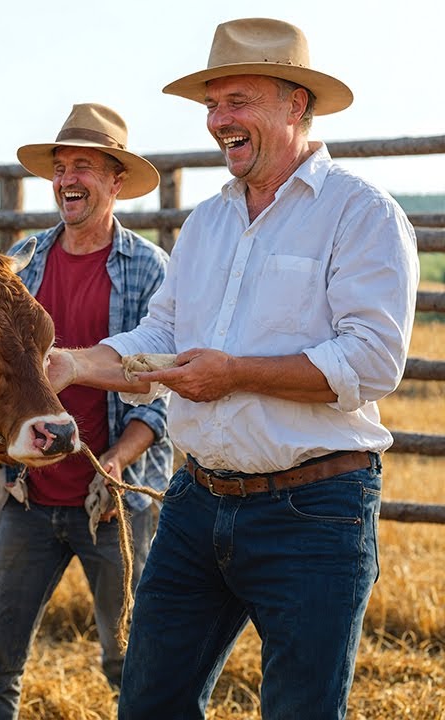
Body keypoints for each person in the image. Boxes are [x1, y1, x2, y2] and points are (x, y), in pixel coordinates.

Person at [45, 19, 417, 719]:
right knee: (148, 703)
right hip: (197, 499)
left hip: (315, 507)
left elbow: (372, 360)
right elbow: (161, 337)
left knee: (300, 710)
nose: (219, 120)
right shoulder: (208, 223)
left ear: (296, 105)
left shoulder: (361, 213)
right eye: (213, 105)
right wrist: (73, 363)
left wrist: (236, 372)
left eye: (237, 101)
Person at [0, 104, 172, 719]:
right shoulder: (22, 262)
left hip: (112, 500)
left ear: (116, 181)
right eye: (60, 168)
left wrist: (115, 462)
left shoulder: (148, 269)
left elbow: (161, 389)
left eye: (83, 166)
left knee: (128, 658)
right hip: (28, 497)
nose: (67, 179)